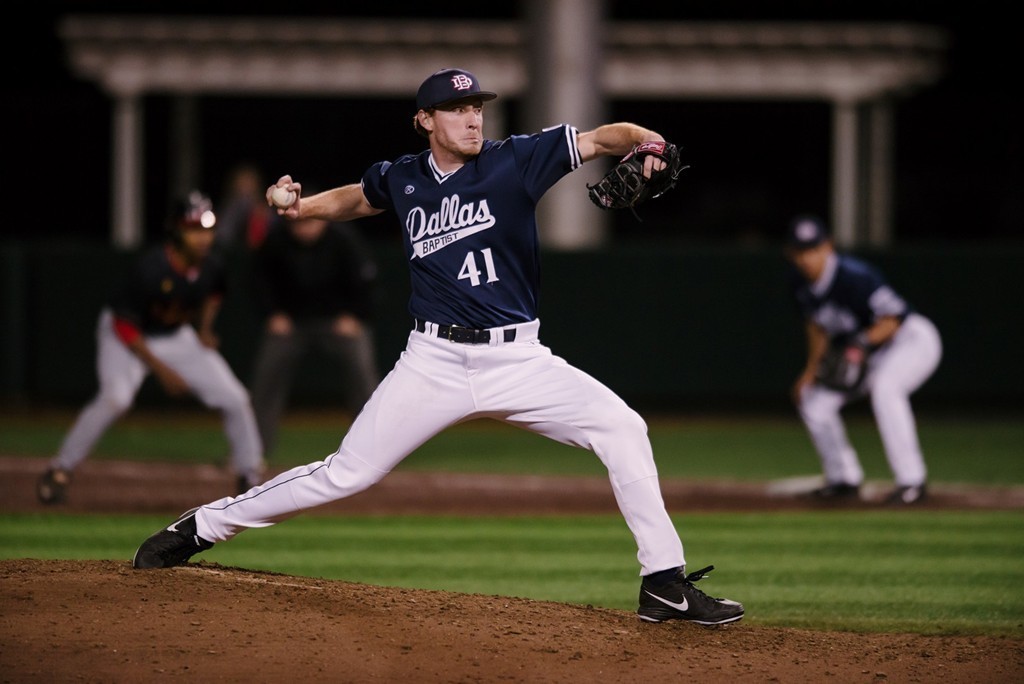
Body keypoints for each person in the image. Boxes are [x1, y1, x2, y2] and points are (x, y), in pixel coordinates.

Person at [133, 68, 744, 626]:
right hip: (433, 361)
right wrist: (300, 208)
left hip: (519, 359)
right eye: (456, 109)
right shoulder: (402, 176)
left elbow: (606, 138)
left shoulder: (516, 161)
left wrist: (652, 142)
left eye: (476, 106)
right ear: (426, 120)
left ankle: (662, 583)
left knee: (623, 427)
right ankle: (202, 526)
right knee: (345, 474)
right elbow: (359, 198)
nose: (473, 117)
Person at [37, 191, 266, 504]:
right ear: (176, 230)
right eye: (193, 228)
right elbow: (124, 324)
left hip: (174, 335)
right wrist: (163, 371)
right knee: (115, 399)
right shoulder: (151, 268)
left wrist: (205, 329)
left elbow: (215, 294)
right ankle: (60, 469)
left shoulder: (213, 265)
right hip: (126, 337)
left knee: (235, 398)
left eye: (207, 229)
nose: (203, 238)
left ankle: (250, 475)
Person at [784, 215, 942, 505]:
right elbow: (816, 327)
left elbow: (894, 318)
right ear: (791, 254)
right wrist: (811, 370)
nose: (807, 258)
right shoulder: (799, 283)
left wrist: (859, 344)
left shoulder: (854, 275)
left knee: (886, 389)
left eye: (813, 249)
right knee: (814, 401)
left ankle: (912, 481)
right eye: (800, 251)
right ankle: (843, 479)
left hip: (909, 341)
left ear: (828, 246)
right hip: (867, 355)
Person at [249, 212, 380, 456]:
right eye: (297, 223)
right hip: (292, 324)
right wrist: (272, 314)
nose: (303, 229)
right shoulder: (276, 240)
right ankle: (254, 452)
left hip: (337, 322)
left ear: (324, 219)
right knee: (266, 378)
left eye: (309, 221)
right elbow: (258, 281)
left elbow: (367, 280)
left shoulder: (344, 239)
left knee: (363, 374)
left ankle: (371, 451)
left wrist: (355, 315)